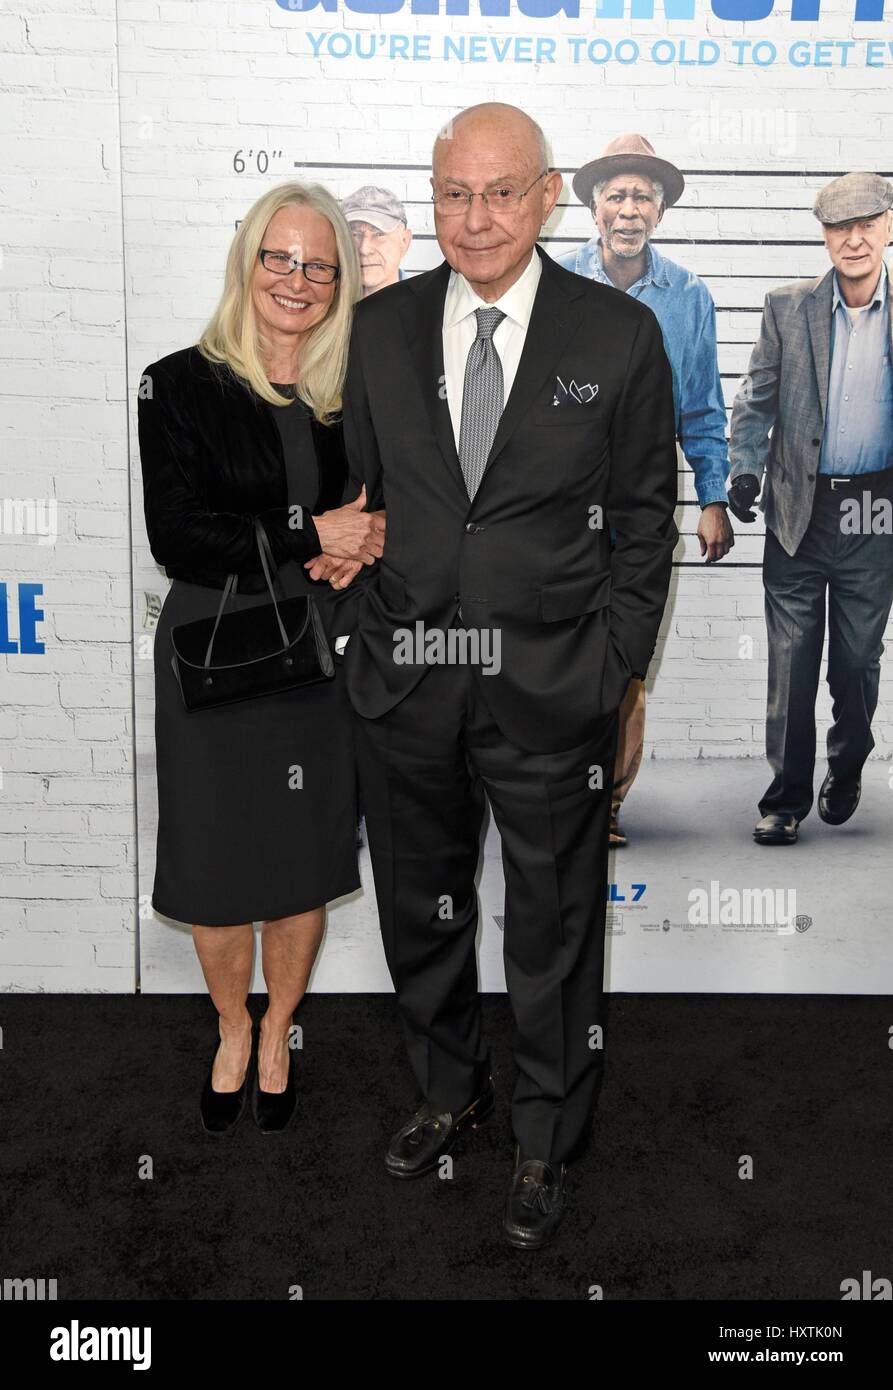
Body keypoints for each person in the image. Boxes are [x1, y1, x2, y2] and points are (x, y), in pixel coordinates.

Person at [339, 103, 678, 1248]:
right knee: (420, 913)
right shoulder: (378, 328)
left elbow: (642, 519)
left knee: (553, 927)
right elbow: (361, 502)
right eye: (452, 195)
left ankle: (545, 1135)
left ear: (546, 197)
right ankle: (449, 1089)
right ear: (431, 199)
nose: (473, 220)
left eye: (499, 193)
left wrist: (616, 667)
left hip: (551, 688)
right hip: (409, 682)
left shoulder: (616, 334)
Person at [137, 181, 384, 1136]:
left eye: (317, 265)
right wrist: (302, 529)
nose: (295, 279)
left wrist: (363, 534)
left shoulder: (353, 390)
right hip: (212, 652)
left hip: (317, 652)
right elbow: (179, 535)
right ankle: (229, 1029)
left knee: (296, 862)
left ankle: (279, 1028)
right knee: (212, 864)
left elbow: (387, 505)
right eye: (278, 257)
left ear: (339, 279)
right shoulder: (179, 381)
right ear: (247, 262)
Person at [557, 133, 733, 846]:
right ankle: (554, 794)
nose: (628, 209)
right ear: (594, 207)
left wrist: (714, 497)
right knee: (555, 652)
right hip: (557, 503)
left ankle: (604, 805)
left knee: (626, 657)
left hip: (643, 504)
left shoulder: (687, 297)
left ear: (658, 212)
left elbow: (701, 407)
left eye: (642, 197)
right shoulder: (552, 283)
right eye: (616, 195)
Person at [728, 171, 893, 845]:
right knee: (790, 662)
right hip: (799, 510)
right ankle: (785, 798)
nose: (851, 239)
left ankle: (847, 762)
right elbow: (754, 400)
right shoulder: (786, 307)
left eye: (864, 224)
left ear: (887, 226)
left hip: (874, 513)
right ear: (823, 236)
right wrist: (742, 469)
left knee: (854, 659)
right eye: (837, 226)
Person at [341, 186, 413, 296]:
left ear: (404, 241)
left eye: (379, 234)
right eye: (354, 234)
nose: (364, 249)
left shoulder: (430, 308)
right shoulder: (322, 306)